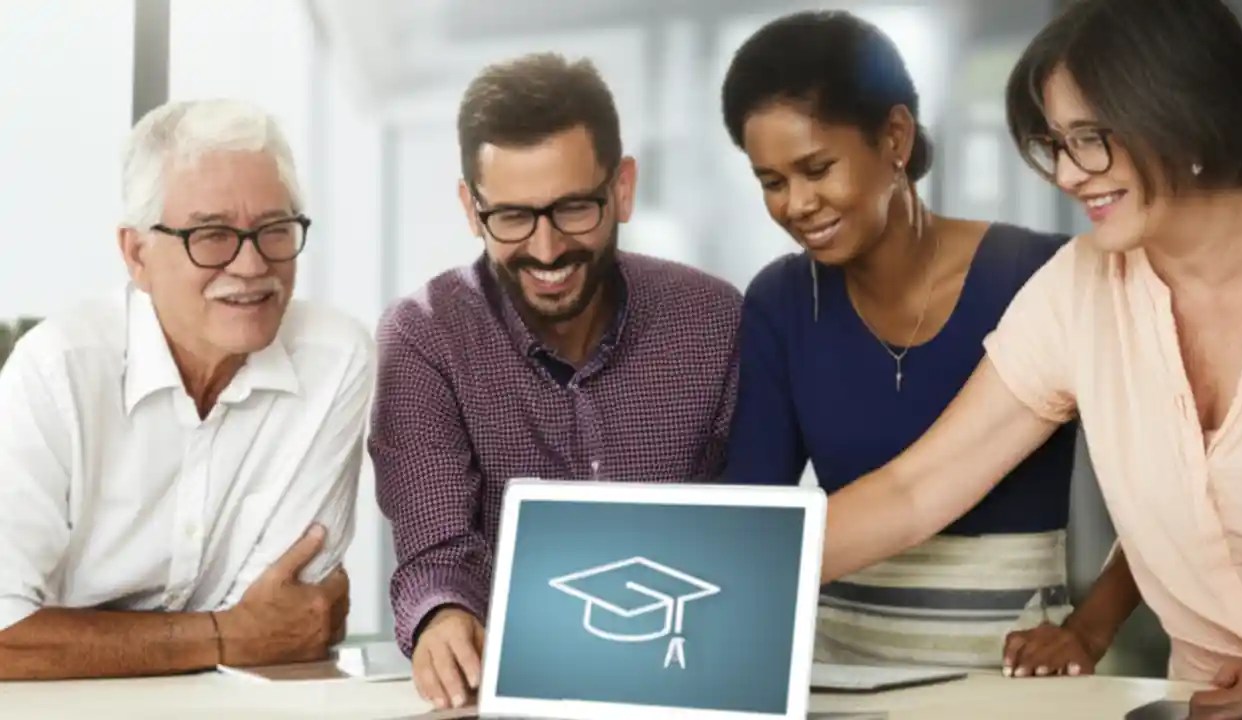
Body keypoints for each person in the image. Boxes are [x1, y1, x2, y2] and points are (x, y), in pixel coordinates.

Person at [816, 0, 1242, 716]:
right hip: (1196, 703)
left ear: (1188, 111)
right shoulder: (1081, 284)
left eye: (1089, 138)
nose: (1067, 174)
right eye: (1056, 142)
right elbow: (917, 489)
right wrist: (745, 569)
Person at [369, 53, 742, 710]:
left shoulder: (711, 322)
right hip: (509, 693)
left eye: (574, 209)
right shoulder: (426, 336)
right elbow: (436, 550)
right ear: (470, 207)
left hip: (689, 682)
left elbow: (750, 527)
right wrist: (443, 617)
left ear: (622, 187)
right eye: (511, 217)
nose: (546, 250)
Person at [719, 10, 1078, 670]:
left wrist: (1093, 625)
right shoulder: (780, 303)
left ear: (894, 137)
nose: (796, 204)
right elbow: (756, 517)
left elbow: (1164, 491)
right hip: (836, 673)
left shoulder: (1043, 276)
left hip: (1020, 676)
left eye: (817, 167)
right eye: (772, 182)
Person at [0, 99, 370, 679]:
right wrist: (225, 634)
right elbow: (4, 634)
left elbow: (285, 619)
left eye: (274, 230)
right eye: (212, 234)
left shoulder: (334, 358)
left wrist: (243, 635)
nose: (251, 266)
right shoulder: (57, 370)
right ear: (136, 253)